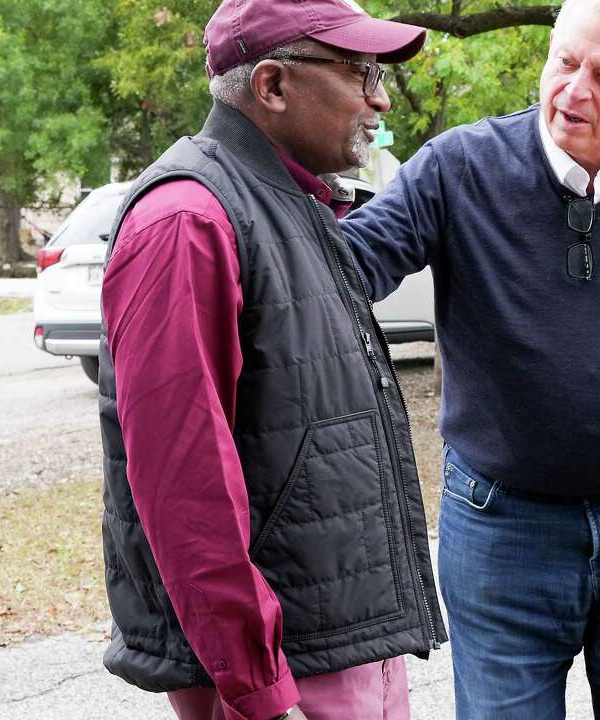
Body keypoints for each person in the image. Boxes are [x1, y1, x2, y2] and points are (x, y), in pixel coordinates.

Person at [340, 0, 600, 716]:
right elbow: (346, 269)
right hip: (501, 525)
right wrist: (254, 201)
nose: (573, 92)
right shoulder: (460, 167)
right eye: (564, 62)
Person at [97, 2, 445, 719]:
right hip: (281, 671)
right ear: (272, 85)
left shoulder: (292, 201)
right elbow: (184, 484)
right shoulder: (188, 220)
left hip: (332, 640)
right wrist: (256, 686)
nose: (379, 97)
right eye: (361, 72)